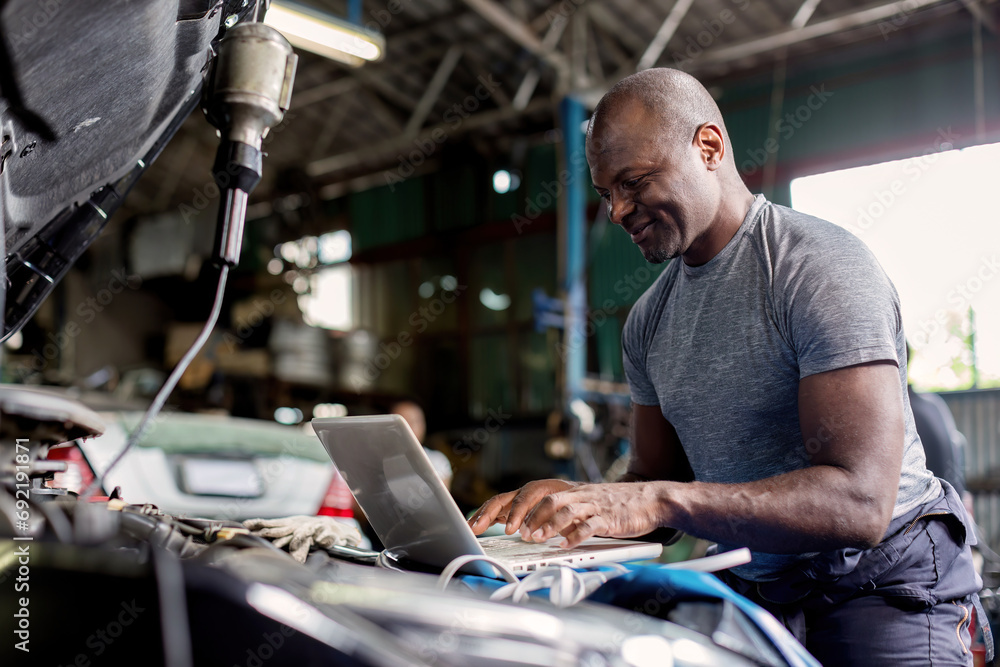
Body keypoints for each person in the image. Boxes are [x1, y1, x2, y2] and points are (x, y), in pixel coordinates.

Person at [469, 68, 989, 664]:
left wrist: (661, 501)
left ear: (708, 147)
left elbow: (860, 502)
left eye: (633, 182)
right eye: (606, 191)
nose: (615, 211)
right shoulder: (647, 321)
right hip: (762, 586)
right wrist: (581, 502)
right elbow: (651, 494)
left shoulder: (815, 269)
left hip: (880, 579)